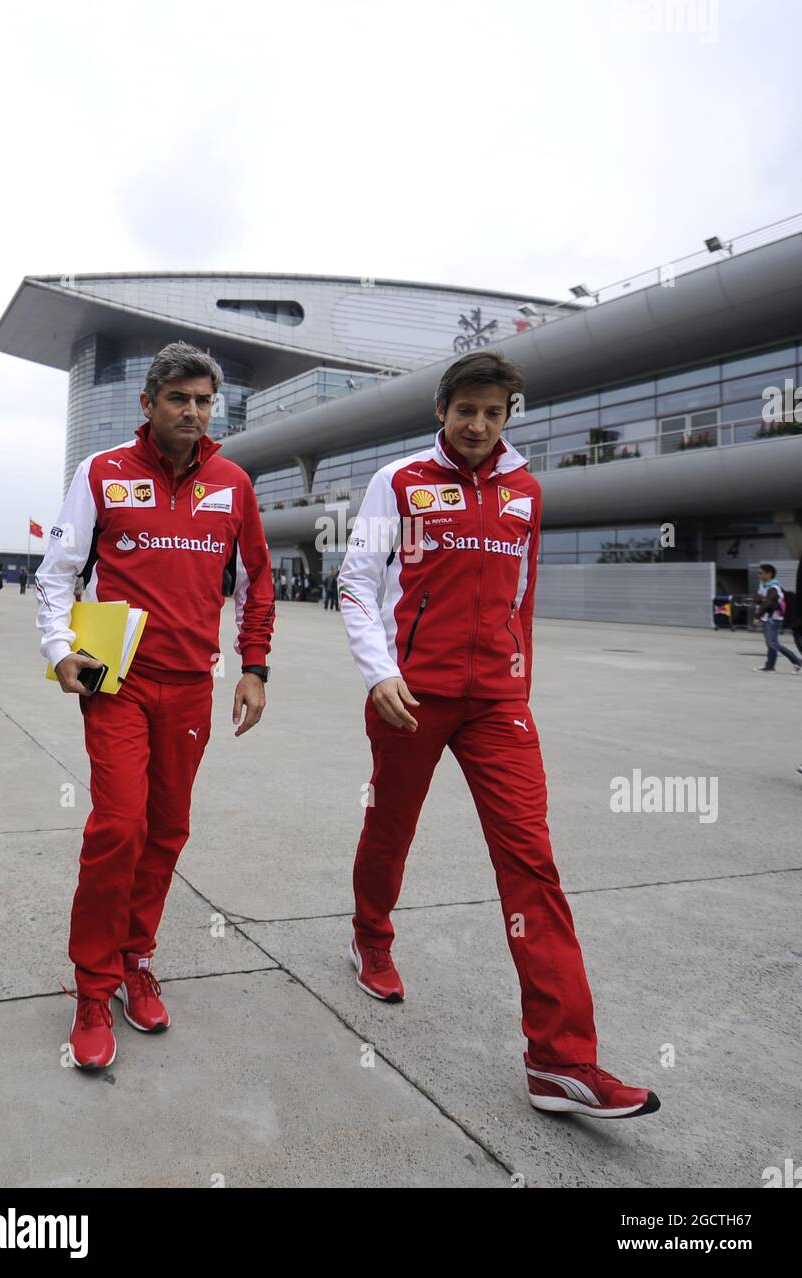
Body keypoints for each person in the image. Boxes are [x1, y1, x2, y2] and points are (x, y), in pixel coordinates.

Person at [337, 349, 660, 1120]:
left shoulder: (524, 492)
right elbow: (354, 579)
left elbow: (520, 596)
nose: (477, 425)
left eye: (492, 412)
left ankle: (559, 1061)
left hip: (498, 706)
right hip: (409, 695)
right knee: (390, 829)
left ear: (509, 415)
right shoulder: (401, 480)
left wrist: (517, 684)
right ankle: (370, 938)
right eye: (464, 411)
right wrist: (378, 672)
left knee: (532, 863)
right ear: (441, 412)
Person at [35, 341, 275, 1070]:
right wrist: (58, 649)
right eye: (179, 399)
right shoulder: (102, 471)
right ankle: (91, 984)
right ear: (148, 405)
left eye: (204, 400)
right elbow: (58, 571)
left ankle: (135, 956)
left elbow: (257, 582)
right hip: (115, 677)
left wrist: (254, 666)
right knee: (117, 824)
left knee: (167, 828)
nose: (193, 412)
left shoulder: (233, 482)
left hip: (191, 684)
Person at [753, 563, 801, 673]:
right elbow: (757, 598)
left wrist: (757, 616)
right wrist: (759, 600)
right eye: (758, 573)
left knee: (773, 643)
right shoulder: (763, 586)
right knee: (770, 644)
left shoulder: (774, 588)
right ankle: (770, 666)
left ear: (769, 574)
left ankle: (798, 662)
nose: (758, 575)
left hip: (773, 619)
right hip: (767, 618)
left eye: (760, 573)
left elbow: (768, 603)